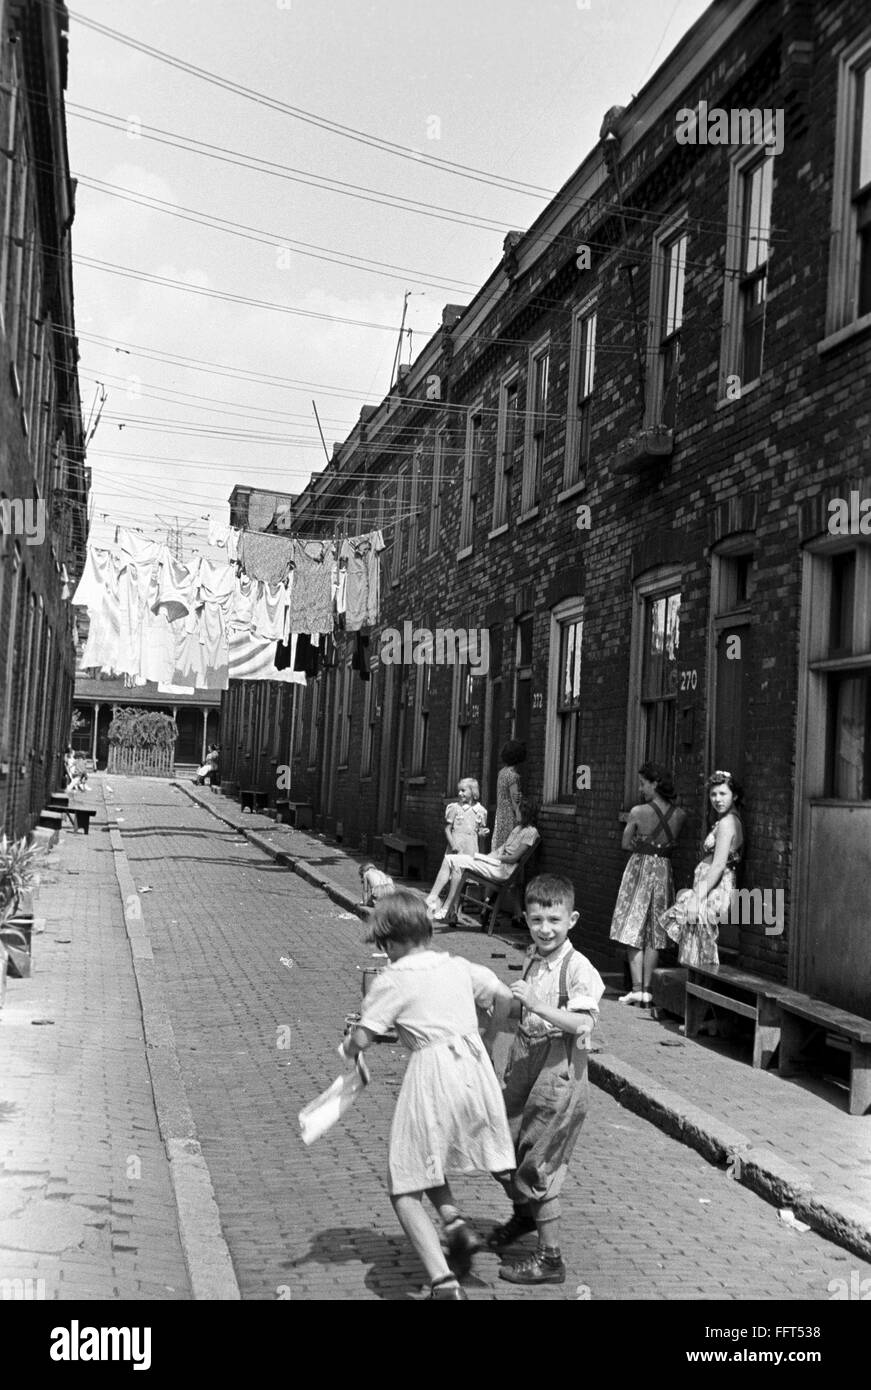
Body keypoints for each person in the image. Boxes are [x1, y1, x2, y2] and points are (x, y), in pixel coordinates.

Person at [340, 888, 516, 1300]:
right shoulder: (457, 965)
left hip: (433, 1073)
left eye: (385, 946)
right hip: (474, 1068)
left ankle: (443, 1284)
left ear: (391, 942)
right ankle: (454, 1223)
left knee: (403, 1183)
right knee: (428, 1154)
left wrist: (349, 1045)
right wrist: (488, 1037)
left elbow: (364, 1036)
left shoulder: (393, 977)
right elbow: (504, 996)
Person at [484, 874, 605, 1285]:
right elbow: (523, 1013)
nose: (545, 929)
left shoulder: (578, 968)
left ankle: (550, 1258)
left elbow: (583, 1024)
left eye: (554, 920)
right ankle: (524, 1217)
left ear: (571, 919)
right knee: (504, 1146)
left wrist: (536, 1003)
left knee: (540, 1161)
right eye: (537, 920)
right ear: (526, 919)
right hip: (525, 1065)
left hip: (558, 1074)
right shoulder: (534, 958)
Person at [609, 762, 686, 1005]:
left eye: (643, 783)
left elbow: (625, 843)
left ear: (655, 784)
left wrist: (642, 846)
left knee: (632, 928)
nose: (641, 788)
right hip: (664, 871)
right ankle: (649, 989)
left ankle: (637, 988)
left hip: (639, 871)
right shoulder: (680, 815)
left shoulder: (638, 811)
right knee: (655, 932)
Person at [659, 771, 744, 968]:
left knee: (698, 944)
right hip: (709, 888)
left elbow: (718, 865)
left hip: (715, 889)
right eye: (713, 794)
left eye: (723, 794)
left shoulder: (727, 823)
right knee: (694, 940)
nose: (717, 799)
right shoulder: (728, 820)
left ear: (735, 796)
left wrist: (696, 898)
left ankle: (699, 988)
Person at [425, 797, 539, 924]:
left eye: (517, 811)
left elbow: (513, 858)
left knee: (456, 862)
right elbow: (501, 849)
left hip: (503, 869)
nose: (514, 813)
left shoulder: (531, 832)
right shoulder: (518, 829)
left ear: (525, 813)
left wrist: (494, 858)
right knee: (449, 859)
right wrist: (486, 857)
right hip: (495, 863)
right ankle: (435, 899)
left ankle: (446, 907)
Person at [492, 741, 526, 850]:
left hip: (500, 814)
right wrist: (520, 820)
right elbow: (515, 801)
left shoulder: (501, 772)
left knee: (498, 846)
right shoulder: (513, 776)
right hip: (509, 817)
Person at [444, 777, 488, 856]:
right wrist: (453, 845)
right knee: (455, 867)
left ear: (472, 792)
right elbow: (447, 829)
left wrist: (483, 832)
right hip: (456, 847)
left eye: (463, 791)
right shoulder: (455, 808)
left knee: (468, 867)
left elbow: (479, 831)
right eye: (459, 791)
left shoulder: (480, 811)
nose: (459, 793)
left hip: (471, 848)